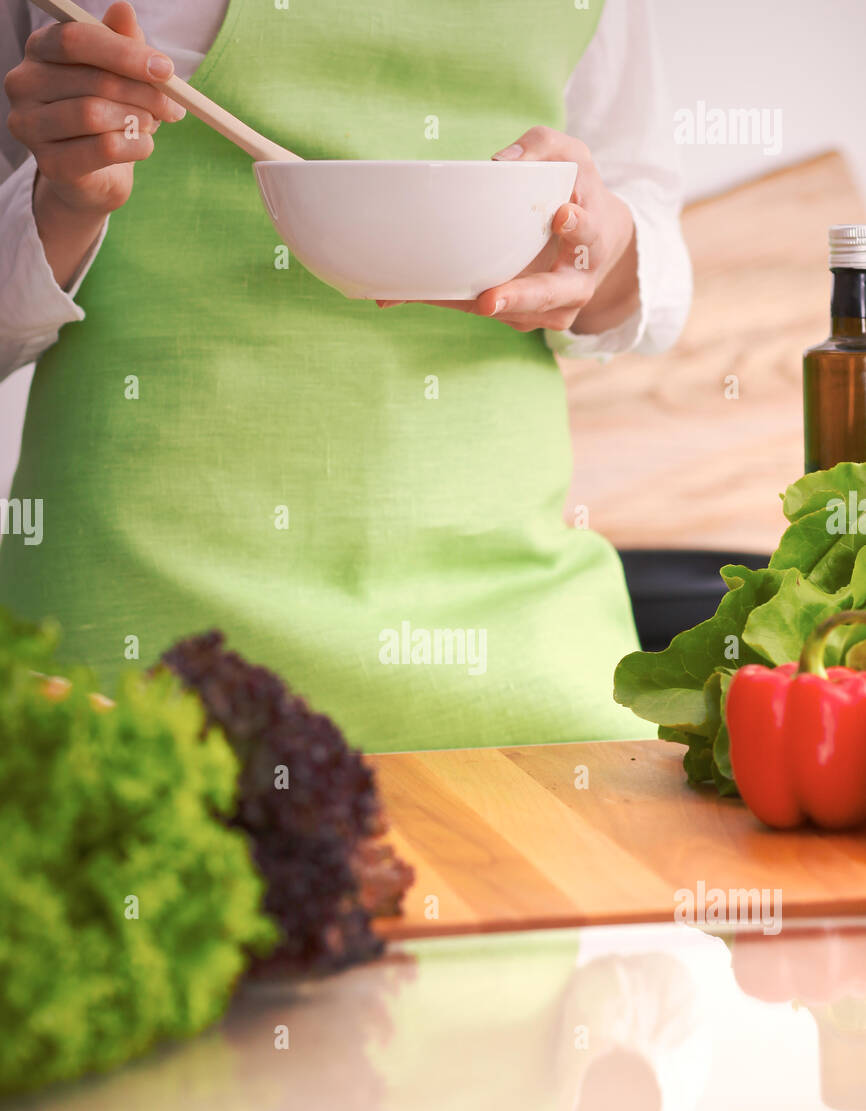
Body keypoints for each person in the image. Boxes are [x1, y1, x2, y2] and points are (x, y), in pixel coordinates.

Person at [0, 0, 691, 752]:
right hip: (134, 646)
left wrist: (603, 250)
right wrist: (61, 200)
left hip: (514, 647)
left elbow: (648, 248)